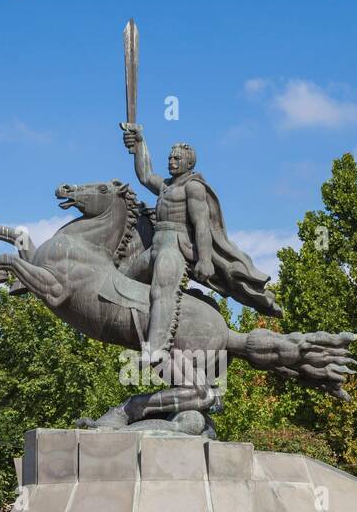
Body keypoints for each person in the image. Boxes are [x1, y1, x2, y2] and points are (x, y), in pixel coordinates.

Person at [120, 123, 280, 358]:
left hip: (175, 246)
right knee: (123, 279)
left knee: (162, 292)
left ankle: (157, 348)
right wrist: (139, 143)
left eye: (176, 158)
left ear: (188, 163)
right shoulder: (165, 186)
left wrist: (205, 259)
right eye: (170, 157)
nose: (171, 161)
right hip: (156, 246)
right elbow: (145, 175)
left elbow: (202, 225)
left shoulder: (193, 187)